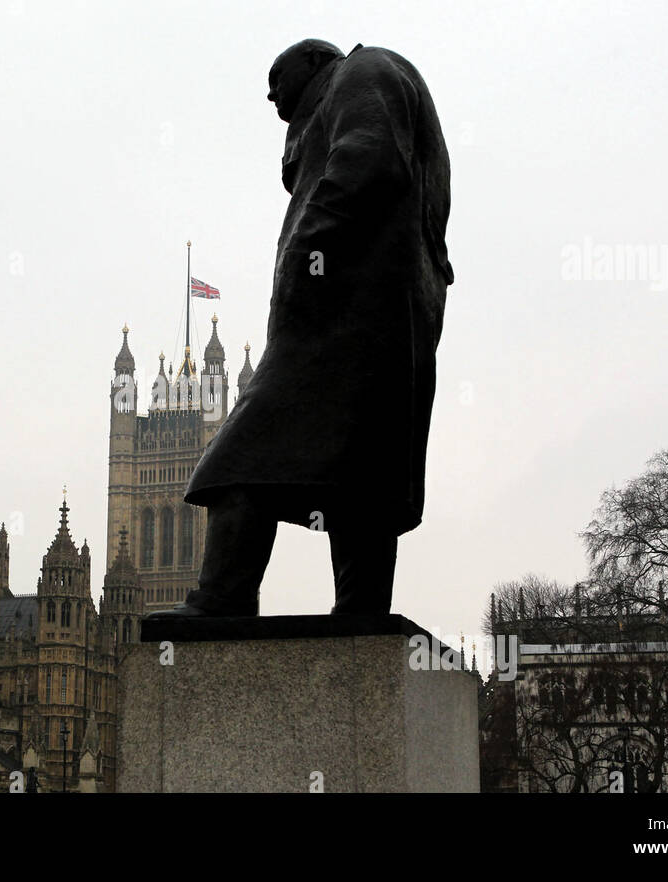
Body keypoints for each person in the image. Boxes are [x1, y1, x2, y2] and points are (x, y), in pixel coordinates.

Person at [158, 39, 453, 618]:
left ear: (317, 61)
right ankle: (362, 611)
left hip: (342, 314)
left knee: (239, 455)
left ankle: (224, 595)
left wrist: (307, 247)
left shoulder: (362, 72)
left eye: (278, 76)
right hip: (386, 316)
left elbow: (370, 160)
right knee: (363, 468)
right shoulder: (355, 93)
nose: (271, 92)